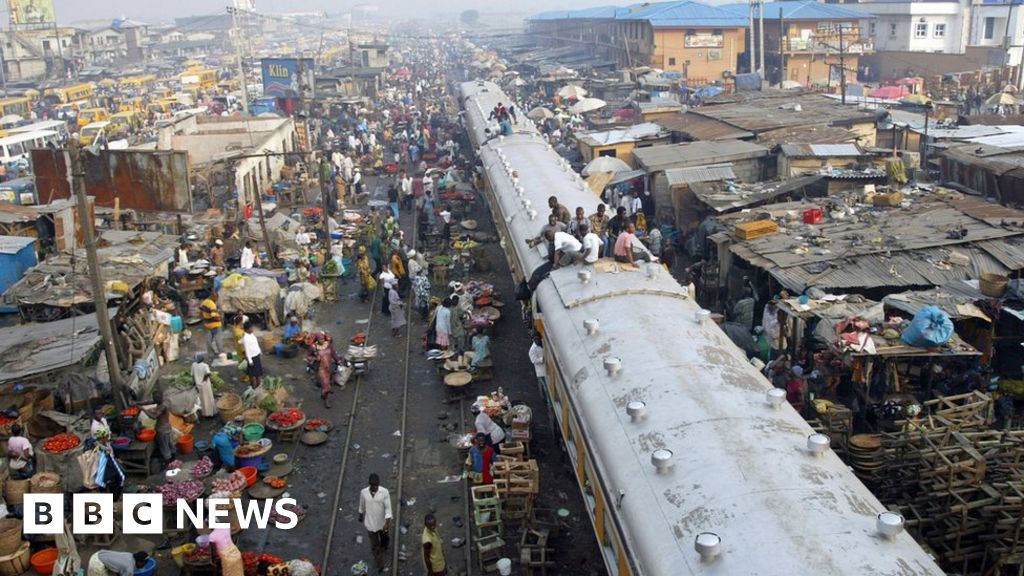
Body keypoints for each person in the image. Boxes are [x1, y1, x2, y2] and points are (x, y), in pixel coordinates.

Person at [358, 473, 393, 574]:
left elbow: (388, 508)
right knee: (375, 546)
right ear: (369, 484)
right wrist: (360, 515)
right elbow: (362, 505)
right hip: (370, 524)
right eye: (373, 485)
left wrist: (387, 522)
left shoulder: (384, 492)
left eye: (377, 485)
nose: (375, 487)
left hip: (382, 523)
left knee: (384, 538)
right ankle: (380, 564)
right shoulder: (364, 493)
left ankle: (385, 544)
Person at [142, 392, 173, 466]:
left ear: (158, 399)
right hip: (167, 428)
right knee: (169, 445)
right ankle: (173, 460)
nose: (153, 400)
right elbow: (149, 402)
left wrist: (143, 409)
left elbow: (154, 417)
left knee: (164, 448)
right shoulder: (163, 401)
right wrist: (137, 403)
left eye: (154, 398)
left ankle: (168, 465)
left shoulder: (162, 406)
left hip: (162, 430)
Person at [316, 339, 339, 407]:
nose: (322, 340)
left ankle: (323, 394)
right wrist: (315, 358)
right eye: (320, 338)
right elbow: (309, 357)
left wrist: (338, 360)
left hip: (328, 368)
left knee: (327, 384)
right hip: (320, 369)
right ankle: (326, 401)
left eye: (323, 338)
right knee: (326, 384)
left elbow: (334, 354)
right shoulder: (315, 348)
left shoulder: (329, 346)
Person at [192, 353, 216, 418]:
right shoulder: (205, 365)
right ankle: (211, 413)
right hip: (205, 385)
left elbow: (192, 375)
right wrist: (204, 380)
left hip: (198, 385)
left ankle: (205, 414)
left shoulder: (194, 365)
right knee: (209, 398)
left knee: (202, 399)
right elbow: (208, 373)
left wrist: (194, 383)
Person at [199, 291, 223, 356]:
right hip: (215, 325)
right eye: (216, 298)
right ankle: (221, 354)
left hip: (207, 325)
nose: (217, 299)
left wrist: (204, 319)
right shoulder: (212, 304)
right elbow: (214, 315)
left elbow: (200, 312)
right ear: (213, 297)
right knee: (218, 340)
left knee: (209, 340)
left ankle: (211, 354)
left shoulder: (204, 302)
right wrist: (220, 319)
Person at [241, 321, 263, 388]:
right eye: (251, 328)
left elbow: (256, 344)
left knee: (258, 374)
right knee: (252, 375)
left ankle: (258, 386)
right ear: (247, 329)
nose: (252, 329)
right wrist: (250, 361)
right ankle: (253, 387)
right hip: (252, 358)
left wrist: (259, 351)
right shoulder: (246, 338)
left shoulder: (252, 335)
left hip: (257, 356)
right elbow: (247, 350)